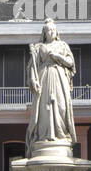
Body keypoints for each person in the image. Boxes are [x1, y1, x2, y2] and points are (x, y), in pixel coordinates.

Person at [26, 19, 76, 150]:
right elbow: (32, 67)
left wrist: (58, 57)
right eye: (49, 30)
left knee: (62, 107)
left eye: (53, 30)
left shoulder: (63, 45)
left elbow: (71, 63)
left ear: (56, 31)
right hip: (43, 78)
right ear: (44, 32)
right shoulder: (39, 47)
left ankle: (62, 134)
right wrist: (33, 80)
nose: (51, 32)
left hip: (59, 76)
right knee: (44, 108)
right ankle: (45, 135)